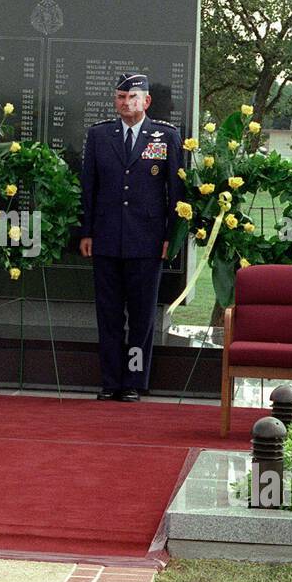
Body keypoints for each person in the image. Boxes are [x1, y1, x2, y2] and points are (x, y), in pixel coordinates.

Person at [78, 72, 184, 402]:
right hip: (107, 239)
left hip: (146, 241)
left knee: (141, 316)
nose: (126, 103)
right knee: (108, 313)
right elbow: (89, 188)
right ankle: (111, 380)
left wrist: (171, 236)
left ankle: (133, 380)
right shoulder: (99, 136)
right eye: (121, 97)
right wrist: (87, 232)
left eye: (133, 97)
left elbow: (175, 191)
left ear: (146, 101)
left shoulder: (165, 136)